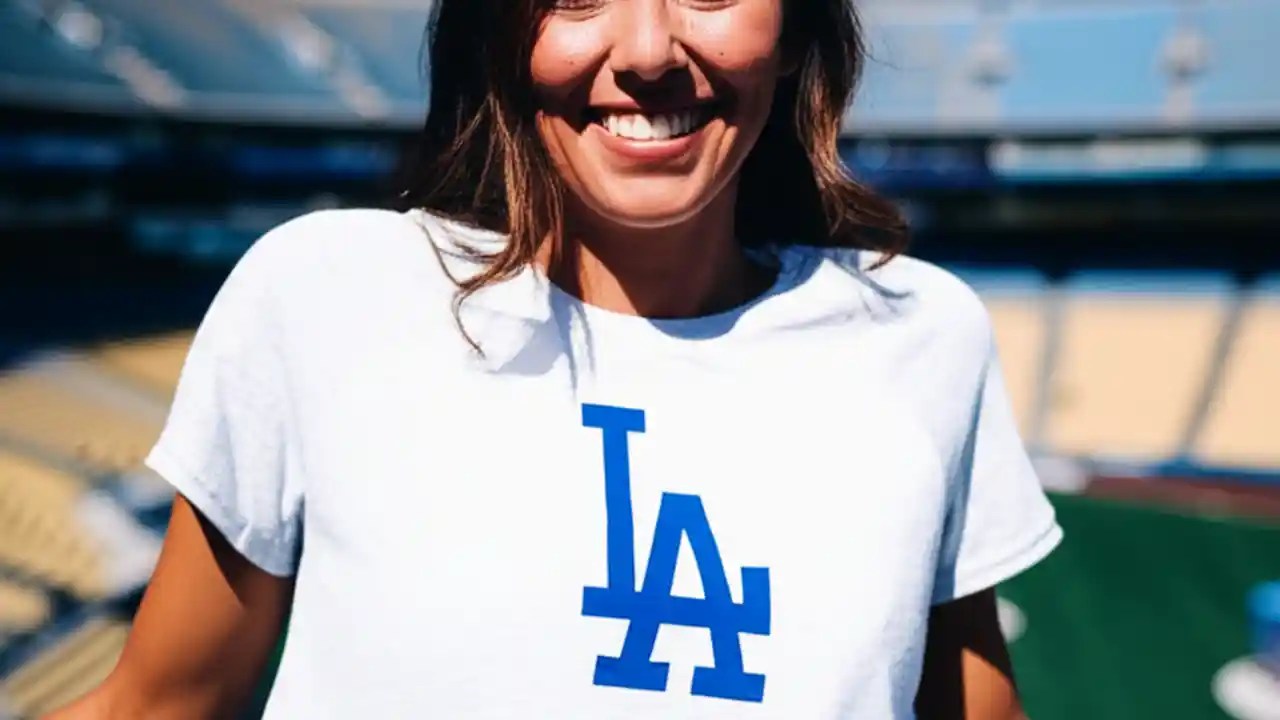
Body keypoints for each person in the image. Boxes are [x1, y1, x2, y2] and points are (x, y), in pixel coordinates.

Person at [51, 0, 1061, 717]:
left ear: (796, 28)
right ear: (497, 28)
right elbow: (155, 706)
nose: (647, 49)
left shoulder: (919, 339)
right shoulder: (320, 295)